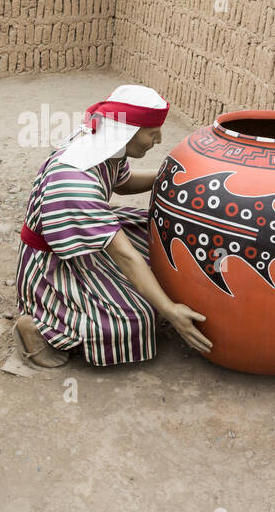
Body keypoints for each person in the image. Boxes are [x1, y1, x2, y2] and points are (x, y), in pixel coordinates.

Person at [12, 85, 212, 369]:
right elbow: (125, 255)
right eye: (152, 132)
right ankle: (40, 326)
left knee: (158, 242)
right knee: (137, 316)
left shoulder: (104, 147)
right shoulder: (74, 182)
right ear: (126, 131)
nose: (158, 140)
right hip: (55, 262)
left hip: (85, 234)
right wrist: (168, 309)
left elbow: (124, 184)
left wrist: (170, 175)